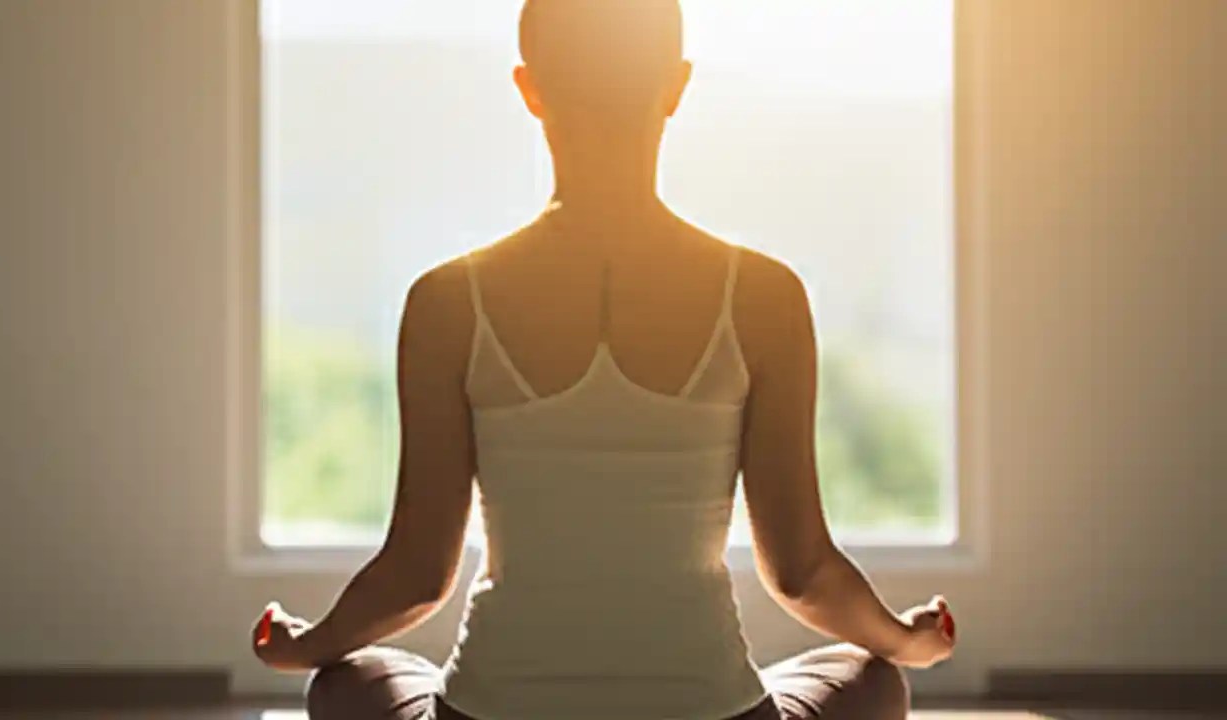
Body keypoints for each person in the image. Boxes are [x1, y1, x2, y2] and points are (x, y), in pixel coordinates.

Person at [251, 1, 957, 718]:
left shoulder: (446, 303)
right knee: (873, 680)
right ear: (677, 86)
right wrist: (905, 639)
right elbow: (803, 573)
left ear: (529, 89)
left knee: (345, 683)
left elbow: (415, 575)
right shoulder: (765, 297)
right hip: (712, 712)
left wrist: (308, 646)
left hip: (493, 712)